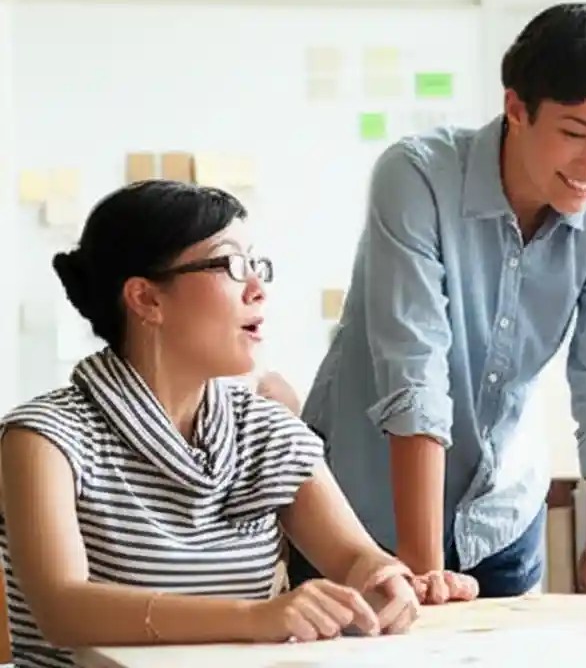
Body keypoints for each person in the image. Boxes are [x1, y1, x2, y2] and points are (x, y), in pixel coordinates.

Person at [0, 181, 477, 668]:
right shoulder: (44, 439)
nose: (257, 288)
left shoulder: (267, 429)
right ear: (146, 299)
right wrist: (254, 617)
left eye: (256, 265)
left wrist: (388, 582)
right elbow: (62, 608)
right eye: (230, 265)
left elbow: (356, 558)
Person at [297, 2, 586, 598]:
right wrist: (424, 572)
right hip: (363, 521)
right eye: (575, 135)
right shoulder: (416, 177)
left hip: (498, 517)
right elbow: (415, 370)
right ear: (517, 109)